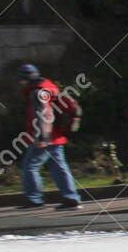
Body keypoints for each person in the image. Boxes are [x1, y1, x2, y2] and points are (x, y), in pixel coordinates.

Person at [16, 64, 82, 210]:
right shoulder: (49, 87)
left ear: (27, 79)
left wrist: (42, 137)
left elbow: (44, 114)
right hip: (56, 134)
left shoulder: (37, 92)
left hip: (46, 136)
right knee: (59, 167)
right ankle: (71, 198)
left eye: (21, 79)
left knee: (29, 166)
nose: (20, 82)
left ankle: (34, 199)